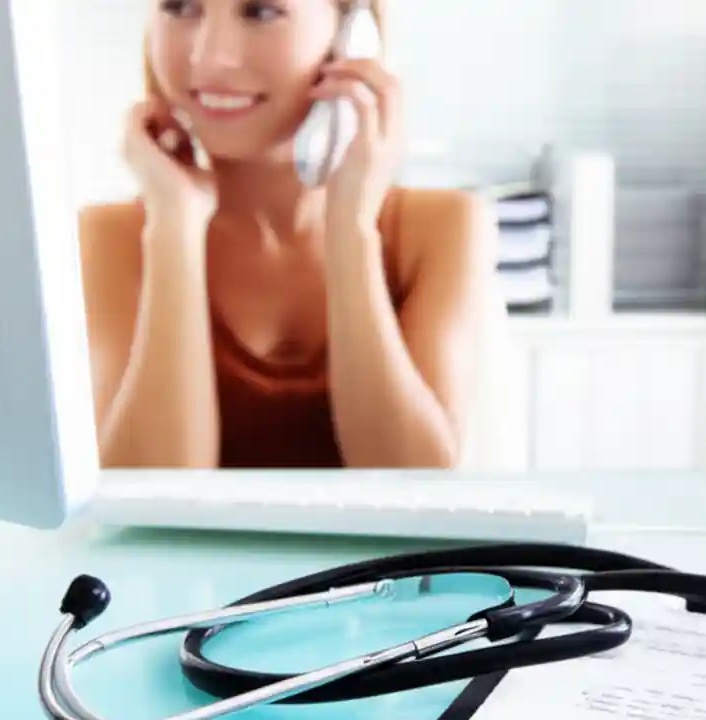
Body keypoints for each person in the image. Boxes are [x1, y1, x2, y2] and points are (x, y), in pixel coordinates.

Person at [77, 0, 499, 470]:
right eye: (180, 7)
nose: (211, 57)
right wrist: (175, 226)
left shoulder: (437, 229)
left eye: (260, 13)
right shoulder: (112, 236)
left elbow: (416, 488)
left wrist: (351, 228)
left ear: (352, 38)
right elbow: (152, 497)